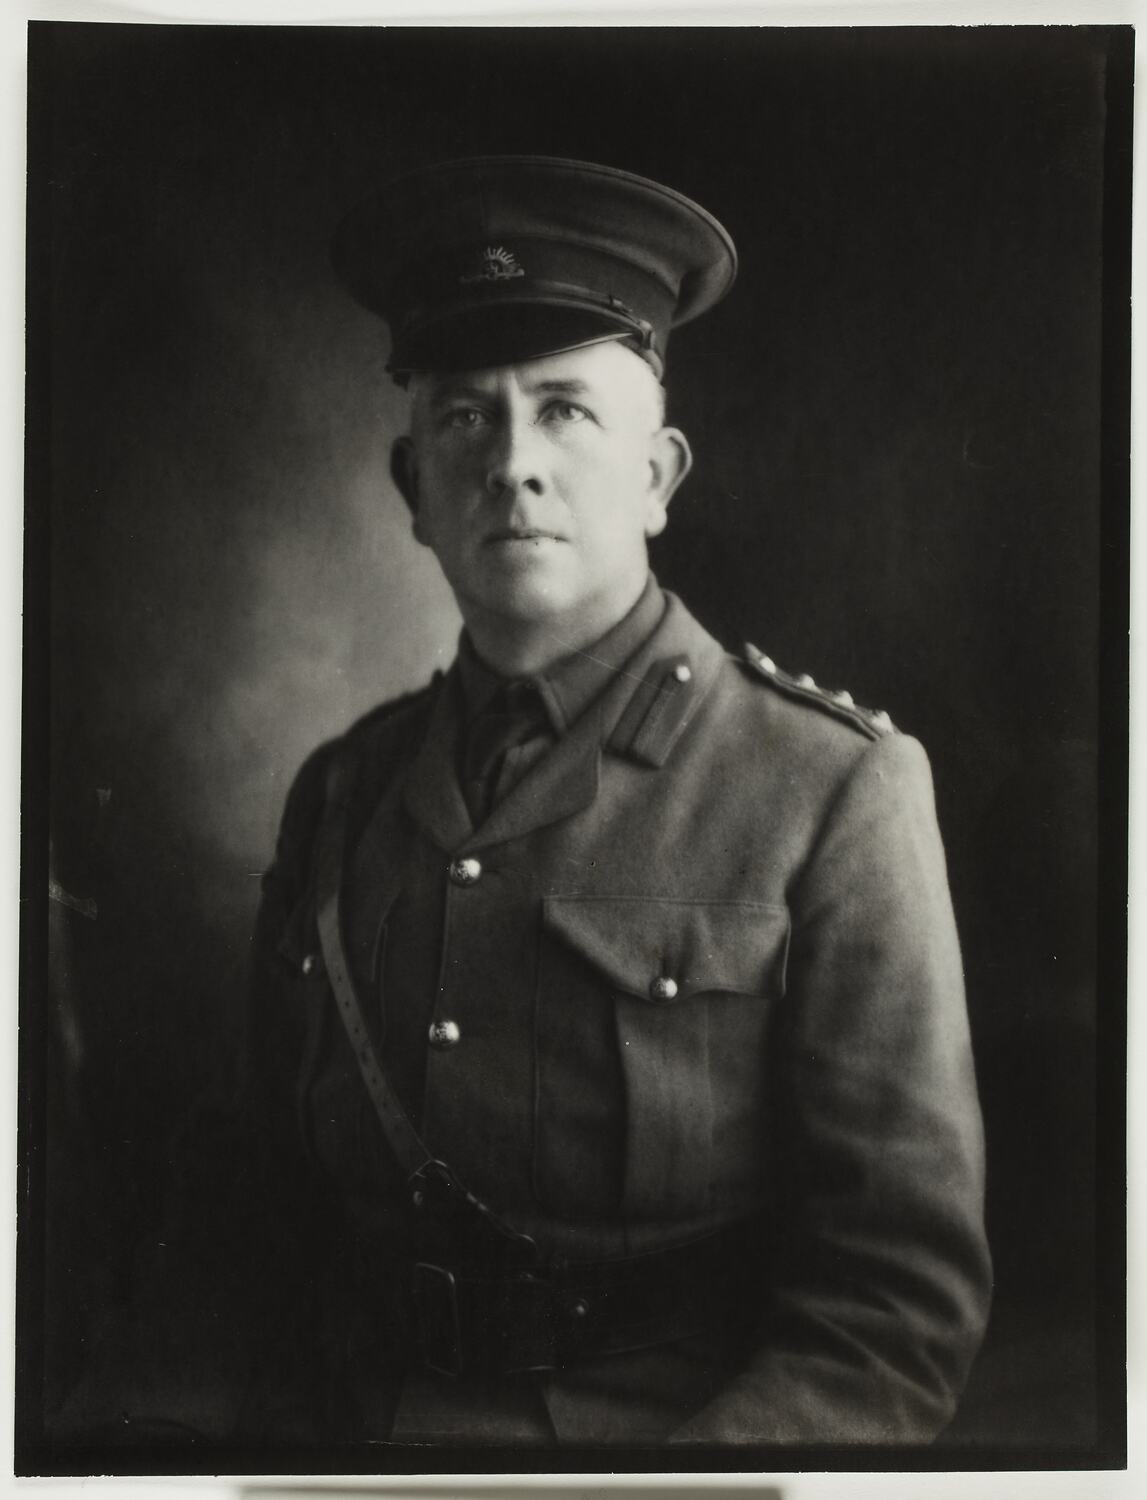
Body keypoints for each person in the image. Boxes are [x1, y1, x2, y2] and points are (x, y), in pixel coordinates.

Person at [245, 155, 992, 1447]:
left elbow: (891, 1313)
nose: (512, 464)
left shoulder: (828, 790)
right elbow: (244, 1215)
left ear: (657, 476)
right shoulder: (342, 792)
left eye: (566, 411)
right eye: (466, 419)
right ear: (411, 488)